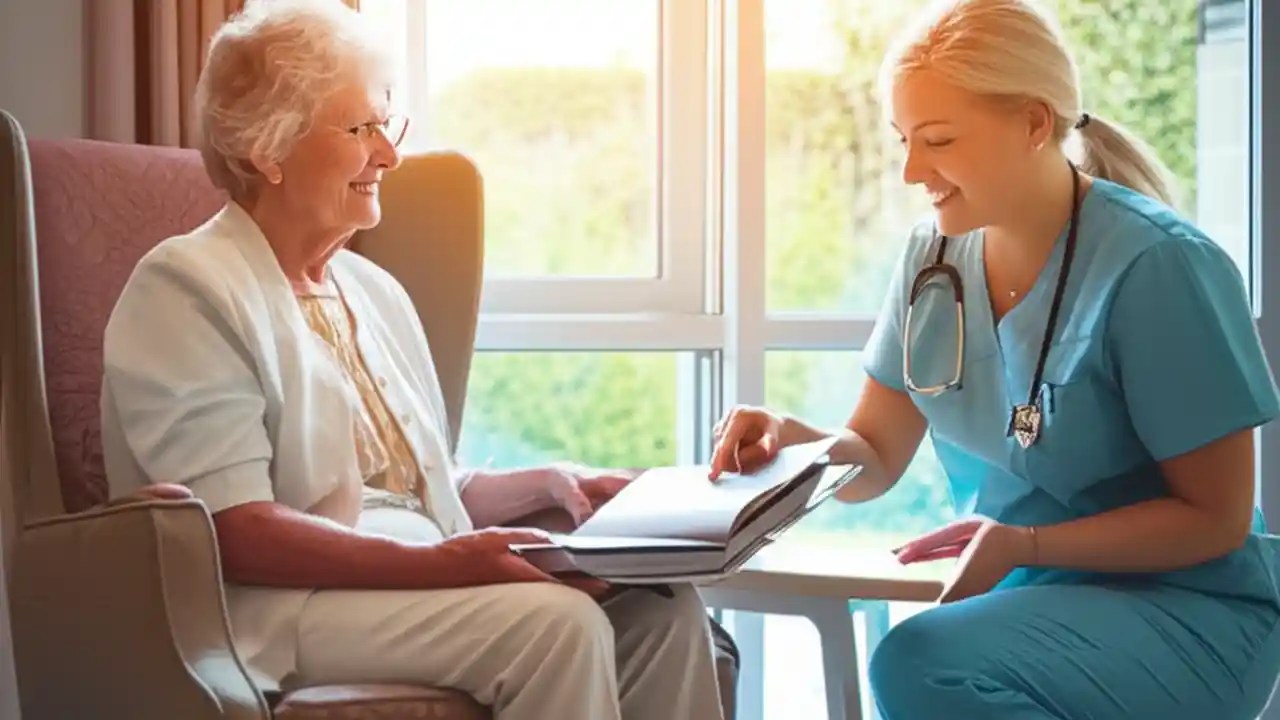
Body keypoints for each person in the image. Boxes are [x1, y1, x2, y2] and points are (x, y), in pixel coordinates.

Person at [98, 2, 725, 719]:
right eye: (361, 128)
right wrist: (438, 567)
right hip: (280, 605)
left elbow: (406, 488)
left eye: (386, 126)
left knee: (663, 616)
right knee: (558, 626)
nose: (389, 156)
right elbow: (233, 529)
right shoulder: (186, 286)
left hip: (405, 583)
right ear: (267, 148)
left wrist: (548, 487)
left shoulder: (374, 292)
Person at [710, 0, 1280, 717]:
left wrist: (1027, 542)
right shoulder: (932, 257)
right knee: (927, 660)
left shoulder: (1159, 267)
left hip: (1187, 609)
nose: (913, 170)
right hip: (1030, 601)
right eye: (903, 141)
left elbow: (1217, 519)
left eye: (939, 140)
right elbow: (876, 456)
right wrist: (798, 444)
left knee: (922, 661)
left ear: (1034, 124)